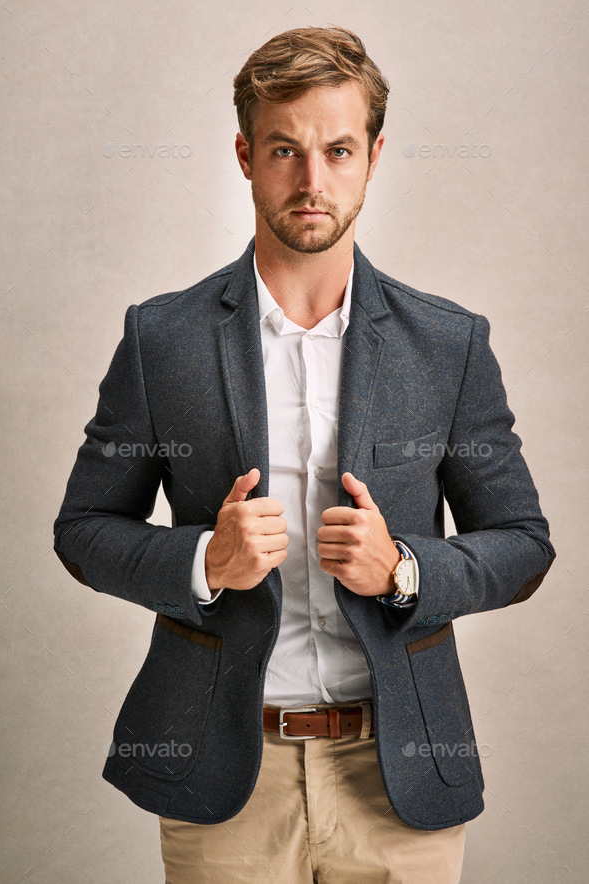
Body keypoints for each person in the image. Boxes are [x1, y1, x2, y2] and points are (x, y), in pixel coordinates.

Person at [54, 25, 555, 884]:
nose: (312, 180)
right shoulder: (161, 338)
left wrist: (403, 568)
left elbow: (522, 543)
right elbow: (85, 528)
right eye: (285, 149)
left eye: (338, 150)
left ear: (373, 156)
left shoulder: (448, 344)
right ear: (246, 154)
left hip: (395, 777)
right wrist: (205, 560)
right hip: (228, 777)